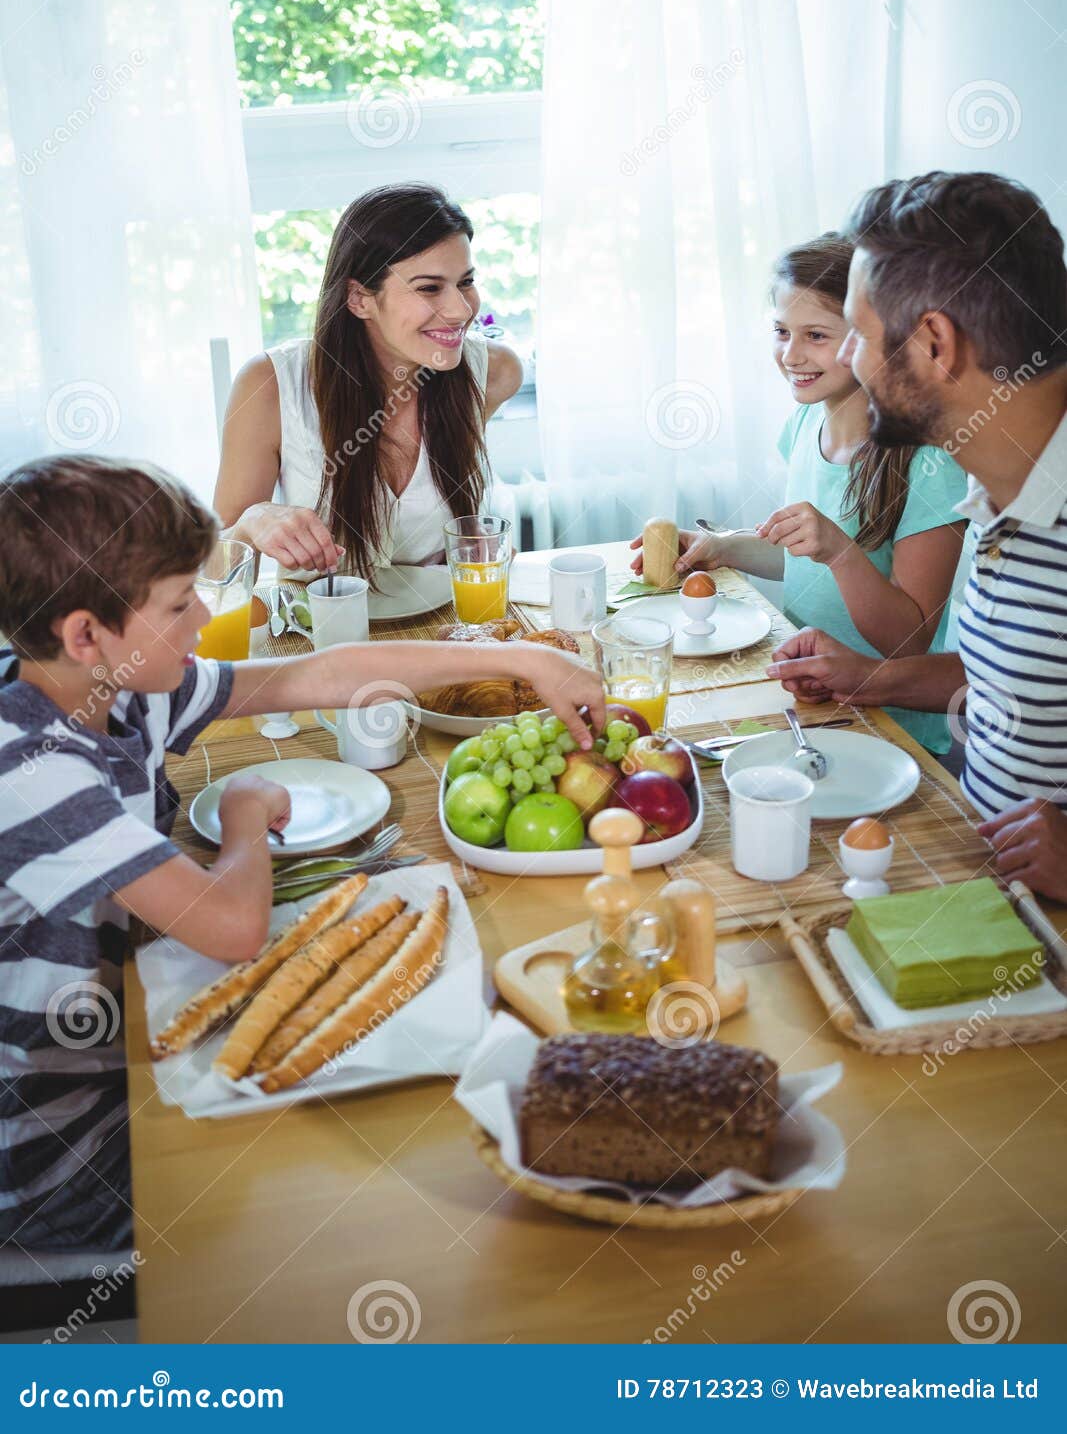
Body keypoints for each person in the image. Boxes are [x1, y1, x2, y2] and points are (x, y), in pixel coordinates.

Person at [0, 455, 603, 1253]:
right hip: (69, 1145)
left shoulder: (118, 686)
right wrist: (247, 818)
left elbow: (316, 674)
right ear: (86, 634)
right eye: (182, 604)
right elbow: (232, 929)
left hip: (136, 1032)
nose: (205, 615)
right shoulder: (29, 769)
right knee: (378, 1204)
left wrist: (520, 658)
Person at [767, 171, 1067, 903]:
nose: (843, 361)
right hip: (985, 884)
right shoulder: (997, 488)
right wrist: (872, 680)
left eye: (857, 336)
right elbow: (1019, 681)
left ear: (933, 342)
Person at [632, 234, 967, 753]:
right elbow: (801, 554)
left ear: (870, 337)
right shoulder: (806, 422)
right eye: (781, 331)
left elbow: (909, 640)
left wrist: (839, 550)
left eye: (815, 335)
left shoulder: (928, 462)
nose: (791, 354)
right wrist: (721, 546)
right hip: (811, 698)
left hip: (889, 727)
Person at [214, 182, 523, 581]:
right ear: (359, 299)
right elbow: (211, 574)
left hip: (442, 626)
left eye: (465, 281)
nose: (461, 309)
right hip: (321, 632)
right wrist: (250, 524)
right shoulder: (269, 385)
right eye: (430, 288)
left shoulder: (493, 373)